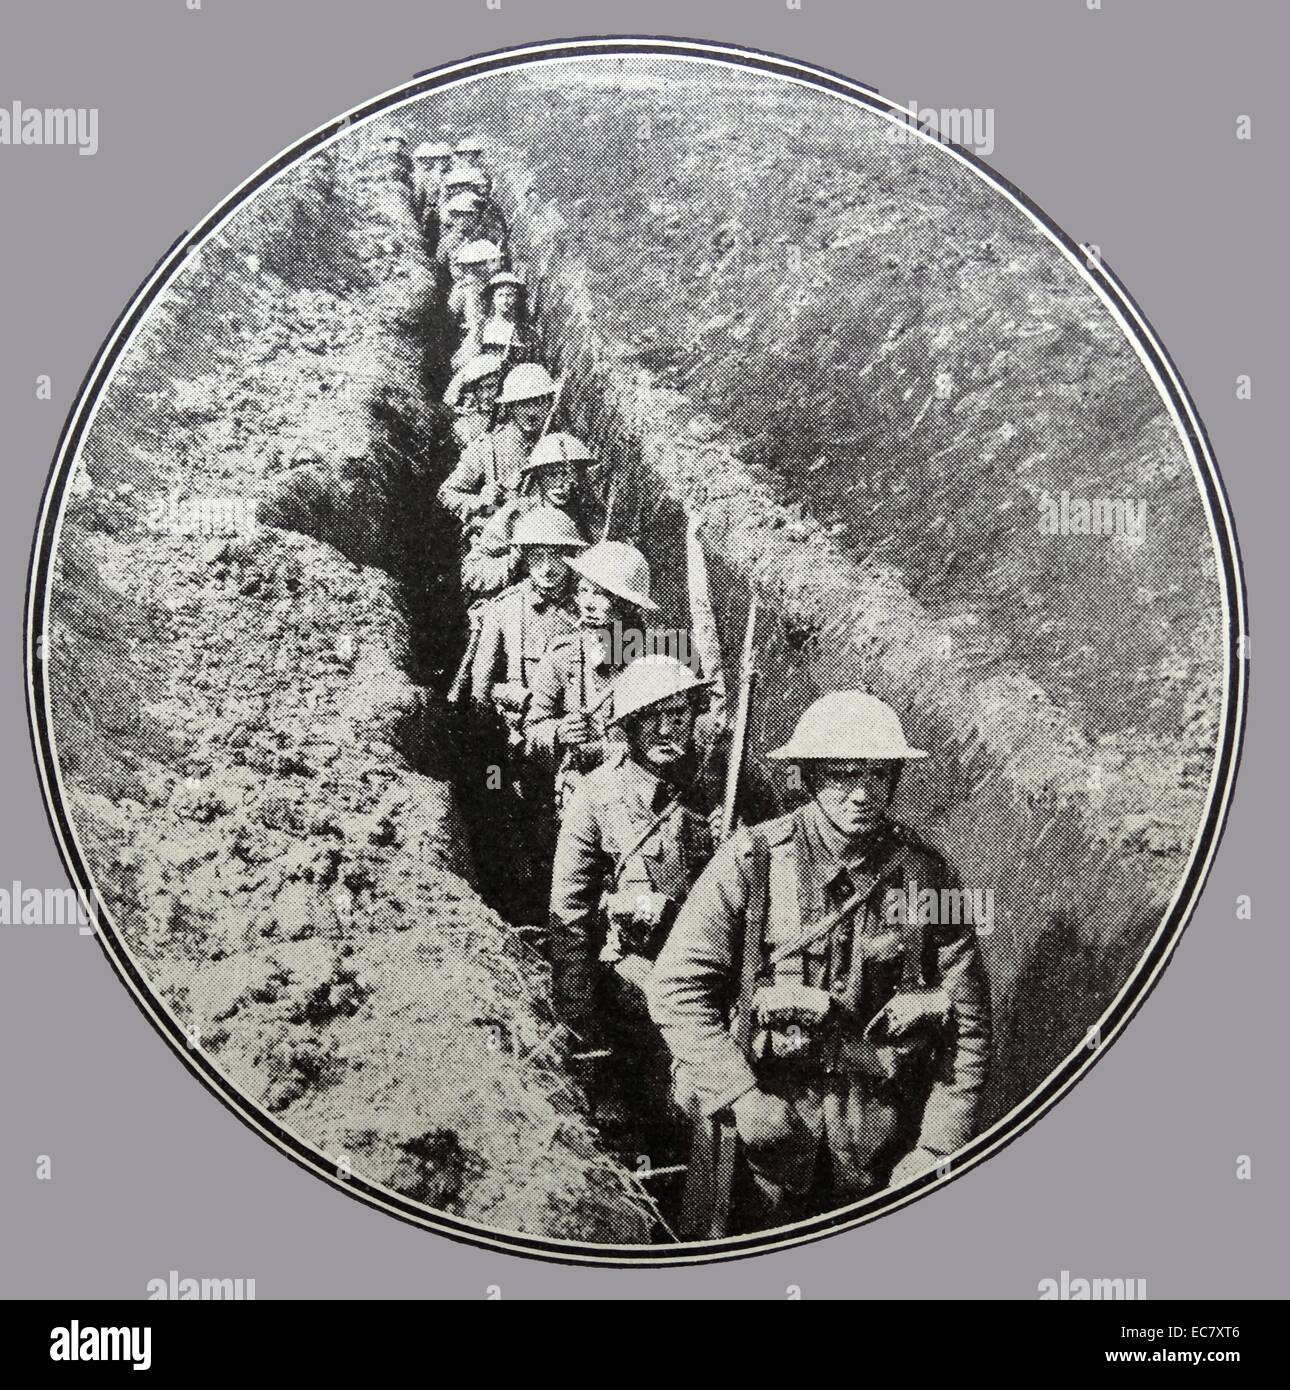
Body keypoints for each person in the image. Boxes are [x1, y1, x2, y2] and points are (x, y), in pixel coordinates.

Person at [648, 691, 992, 1237]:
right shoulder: (752, 860)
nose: (859, 795)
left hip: (879, 1151)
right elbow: (675, 988)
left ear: (895, 779)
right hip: (762, 1149)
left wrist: (936, 1147)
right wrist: (741, 1097)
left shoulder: (931, 878)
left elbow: (968, 1027)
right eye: (839, 776)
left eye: (875, 776)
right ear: (808, 778)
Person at [549, 655, 721, 1150]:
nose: (669, 729)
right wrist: (586, 1034)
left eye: (679, 714)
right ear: (628, 725)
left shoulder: (727, 785)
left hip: (722, 978)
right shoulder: (596, 798)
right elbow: (570, 922)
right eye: (652, 718)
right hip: (639, 988)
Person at [524, 541, 656, 816]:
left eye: (600, 594)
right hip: (584, 794)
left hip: (641, 790)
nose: (588, 603)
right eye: (583, 591)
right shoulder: (562, 656)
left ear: (627, 606)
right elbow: (533, 730)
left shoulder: (656, 658)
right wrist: (559, 731)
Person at [460, 431, 595, 603]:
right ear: (538, 476)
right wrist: (515, 560)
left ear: (581, 476)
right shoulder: (516, 514)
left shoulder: (590, 517)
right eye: (552, 475)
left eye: (569, 474)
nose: (561, 484)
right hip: (524, 608)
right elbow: (471, 572)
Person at [437, 363, 558, 531]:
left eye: (539, 402)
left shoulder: (557, 445)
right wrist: (481, 504)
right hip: (499, 541)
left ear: (550, 404)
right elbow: (447, 493)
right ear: (510, 406)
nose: (532, 412)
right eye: (523, 404)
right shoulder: (488, 447)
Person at [442, 353, 504, 451]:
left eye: (491, 387)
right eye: (480, 389)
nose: (485, 395)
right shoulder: (466, 426)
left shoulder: (511, 416)